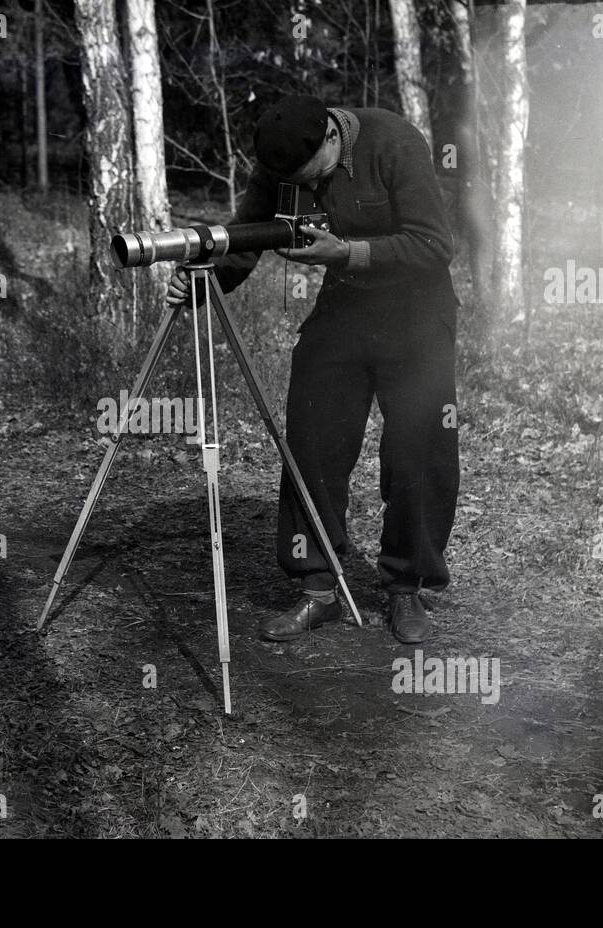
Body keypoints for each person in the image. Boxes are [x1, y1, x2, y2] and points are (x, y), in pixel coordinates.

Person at [166, 94, 460, 644]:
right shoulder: (279, 165)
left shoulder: (394, 142)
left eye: (314, 176)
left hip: (418, 315)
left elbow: (433, 244)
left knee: (419, 450)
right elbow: (247, 235)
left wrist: (346, 253)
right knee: (312, 439)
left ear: (331, 135)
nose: (308, 189)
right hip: (346, 309)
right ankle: (317, 588)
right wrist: (202, 282)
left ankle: (406, 588)